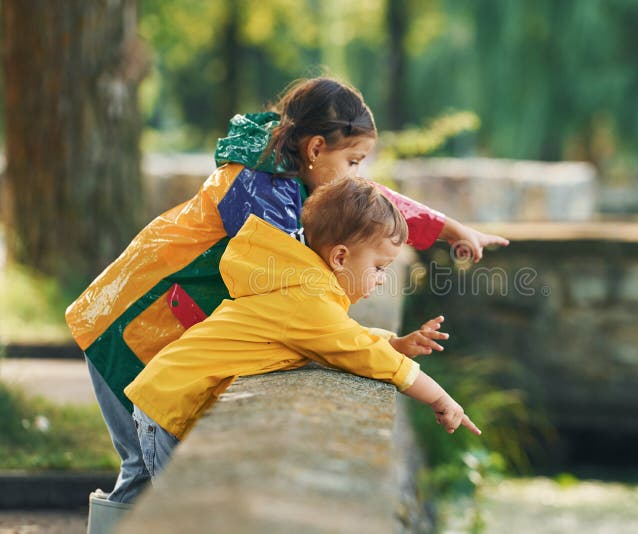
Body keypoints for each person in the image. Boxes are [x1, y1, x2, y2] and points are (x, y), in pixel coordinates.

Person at [66, 77, 507, 507]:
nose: (359, 173)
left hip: (159, 321)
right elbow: (315, 307)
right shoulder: (260, 191)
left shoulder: (290, 174)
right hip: (125, 322)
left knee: (147, 469)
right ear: (316, 148)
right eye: (354, 160)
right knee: (142, 472)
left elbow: (361, 205)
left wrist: (450, 230)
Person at [125, 178, 481, 479]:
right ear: (340, 257)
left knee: (137, 496)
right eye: (378, 267)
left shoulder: (302, 284)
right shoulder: (306, 299)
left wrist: (395, 342)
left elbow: (343, 336)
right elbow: (361, 353)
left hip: (169, 390)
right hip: (169, 405)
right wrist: (439, 397)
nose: (382, 279)